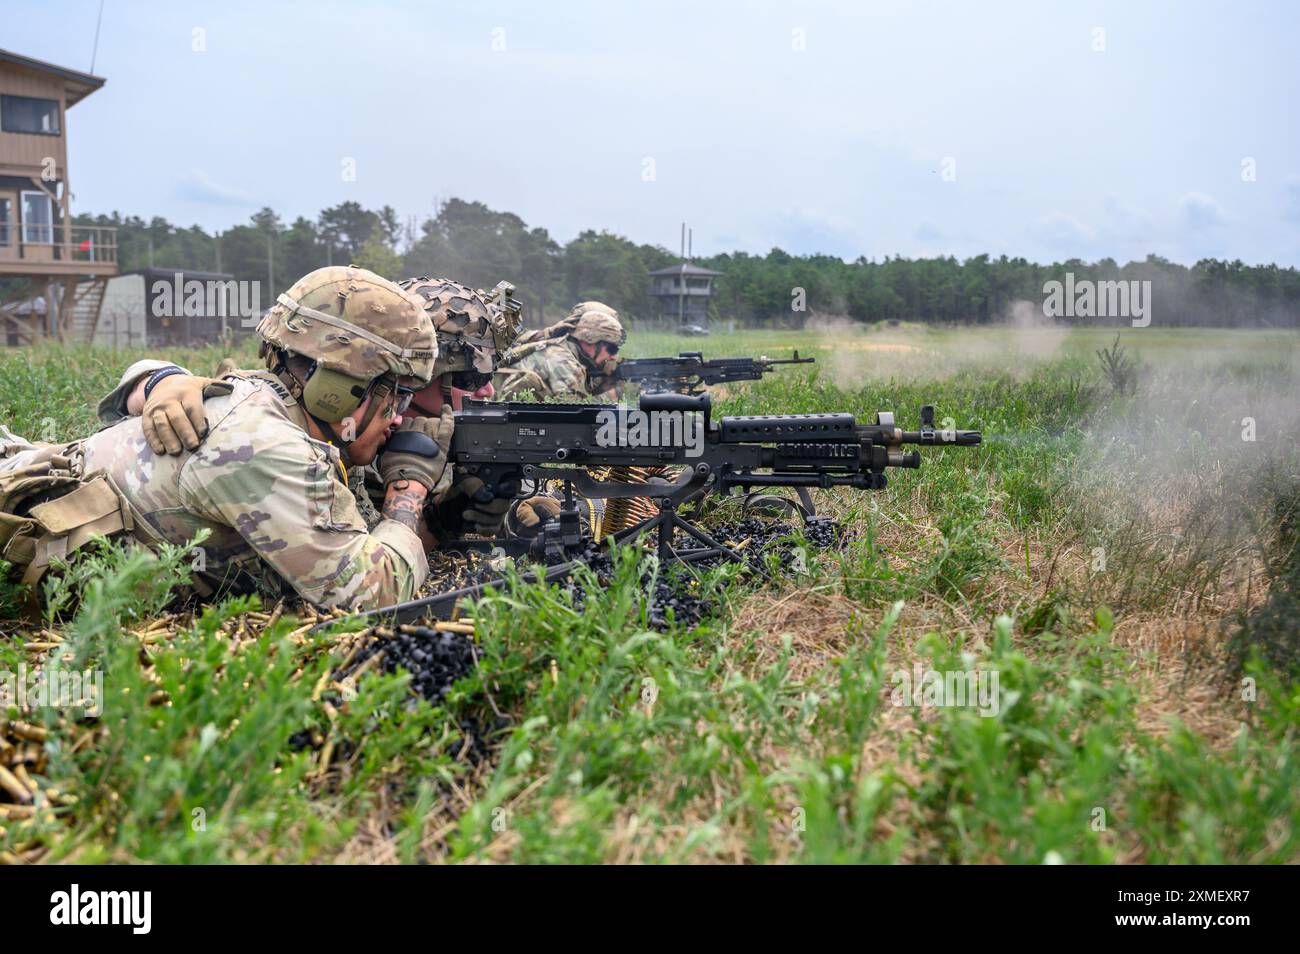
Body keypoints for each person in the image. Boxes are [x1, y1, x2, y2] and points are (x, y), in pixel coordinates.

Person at [1, 265, 450, 611]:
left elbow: (137, 386)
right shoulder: (264, 447)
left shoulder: (256, 398)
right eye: (397, 395)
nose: (399, 416)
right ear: (335, 390)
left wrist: (160, 377)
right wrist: (406, 498)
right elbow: (378, 595)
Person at [493, 302, 626, 400]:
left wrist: (609, 381)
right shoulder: (562, 360)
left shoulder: (566, 350)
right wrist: (612, 394)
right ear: (590, 339)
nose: (613, 355)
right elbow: (575, 411)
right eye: (611, 348)